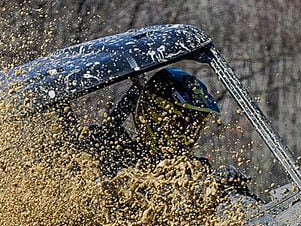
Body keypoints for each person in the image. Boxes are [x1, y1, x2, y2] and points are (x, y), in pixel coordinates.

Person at [84, 67, 221, 176]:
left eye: (195, 125)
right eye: (180, 124)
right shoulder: (116, 154)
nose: (188, 135)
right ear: (156, 116)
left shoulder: (195, 170)